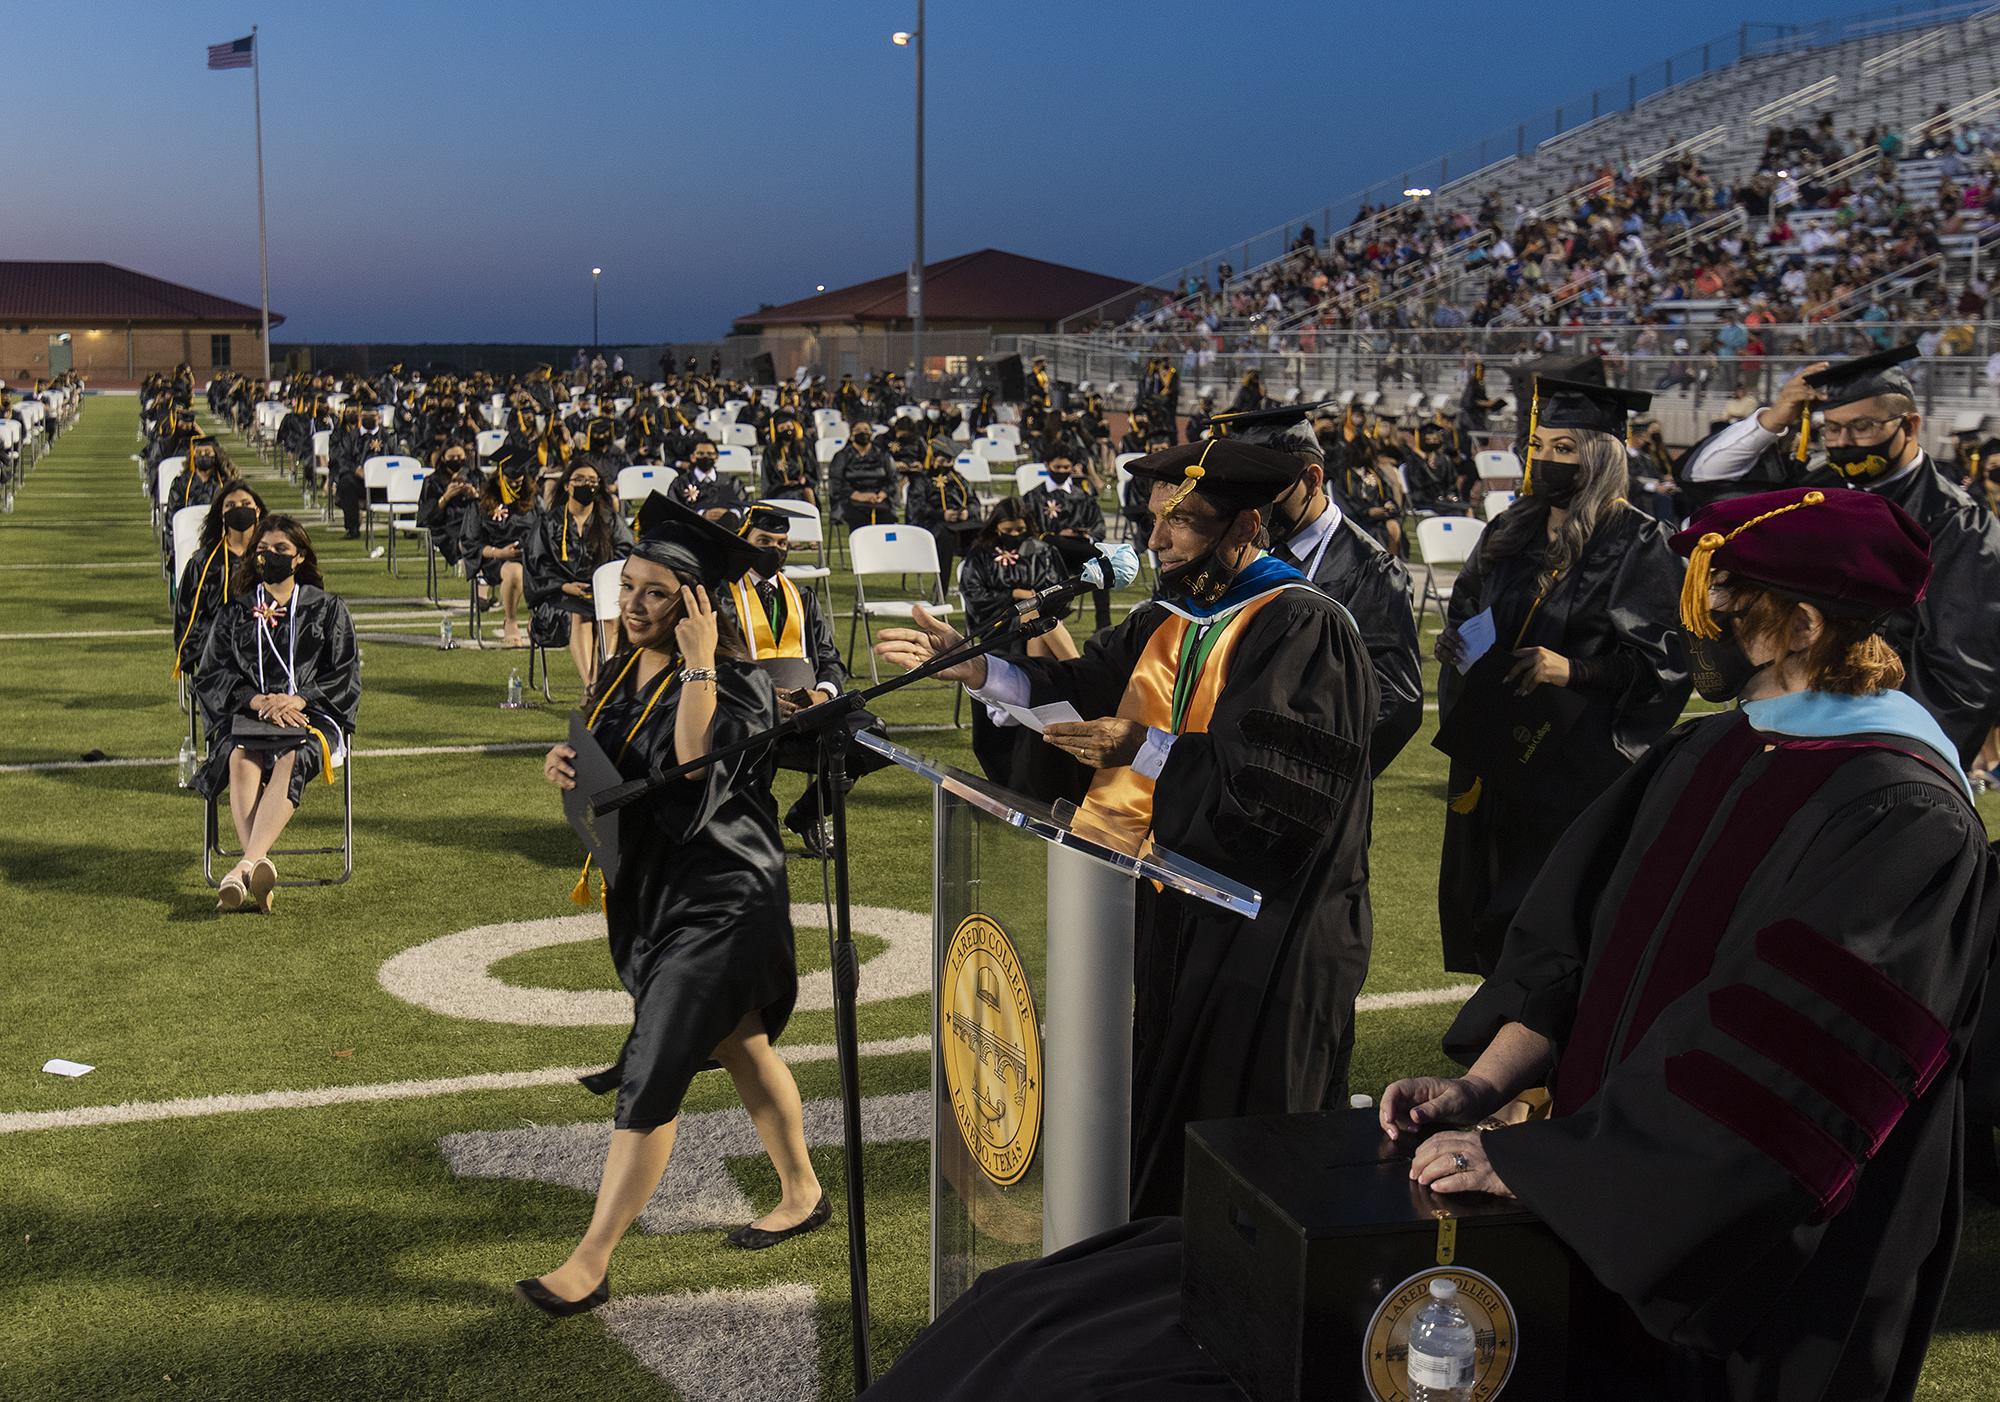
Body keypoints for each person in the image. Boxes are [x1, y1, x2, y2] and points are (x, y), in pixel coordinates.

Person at [1385, 484, 1999, 1400]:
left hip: (1774, 1261)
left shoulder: (1904, 815)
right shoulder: (1710, 750)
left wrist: (1561, 1166)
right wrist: (1488, 1082)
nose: (1695, 621)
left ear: (1800, 627)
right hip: (1621, 1202)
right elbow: (1573, 941)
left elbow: (1787, 1066)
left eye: (1725, 600)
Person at [878, 439, 1378, 1216]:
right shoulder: (1167, 618)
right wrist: (976, 669)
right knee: (1155, 1124)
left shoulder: (1308, 629)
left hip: (1268, 932)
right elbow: (1077, 688)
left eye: (1180, 525)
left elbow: (1282, 791)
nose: (1154, 541)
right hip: (1170, 897)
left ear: (1246, 525)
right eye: (1150, 521)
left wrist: (1141, 746)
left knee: (1244, 1137)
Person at [523, 495, 825, 1315]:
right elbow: (606, 761)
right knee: (743, 1047)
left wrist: (697, 662)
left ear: (697, 605)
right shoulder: (618, 672)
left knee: (654, 1069)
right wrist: (566, 762)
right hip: (654, 894)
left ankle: (591, 1260)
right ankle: (802, 1189)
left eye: (657, 593)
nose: (634, 605)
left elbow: (695, 768)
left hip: (726, 897)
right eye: (630, 587)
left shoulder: (741, 685)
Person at [1436, 377, 1689, 976]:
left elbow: (1664, 665)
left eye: (1565, 448)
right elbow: (1469, 604)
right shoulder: (1512, 527)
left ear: (1600, 456)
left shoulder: (1641, 543)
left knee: (1552, 897)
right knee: (1488, 881)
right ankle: (1496, 1011)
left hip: (1574, 755)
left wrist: (1572, 669)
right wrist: (1458, 641)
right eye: (1540, 446)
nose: (1545, 461)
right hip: (1496, 738)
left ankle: (1547, 1027)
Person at [1674, 344, 2000, 767]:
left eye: (1862, 427)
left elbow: (1959, 672)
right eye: (1833, 429)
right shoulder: (1819, 489)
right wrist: (1775, 418)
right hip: (1786, 704)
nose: (1844, 442)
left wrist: (1895, 761)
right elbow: (1708, 480)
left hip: (1870, 721)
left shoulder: (1959, 524)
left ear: (1910, 426)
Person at [1215, 403, 1423, 773]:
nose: (1254, 506)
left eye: (1267, 489)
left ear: (1312, 480)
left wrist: (1311, 775)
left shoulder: (1370, 569)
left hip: (1309, 788)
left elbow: (1395, 701)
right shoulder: (1253, 549)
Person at [192, 516, 359, 915]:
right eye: (263, 550)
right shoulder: (236, 612)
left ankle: (243, 866)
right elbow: (213, 672)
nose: (270, 557)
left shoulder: (327, 608)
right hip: (251, 716)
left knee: (291, 755)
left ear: (300, 557)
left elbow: (344, 673)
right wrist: (256, 700)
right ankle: (254, 865)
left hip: (311, 717)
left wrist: (299, 699)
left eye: (281, 550)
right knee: (239, 755)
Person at [722, 505, 873, 857]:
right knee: (753, 737)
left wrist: (824, 693)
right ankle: (762, 820)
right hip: (750, 707)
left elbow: (830, 658)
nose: (775, 549)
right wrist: (761, 695)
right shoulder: (724, 596)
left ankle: (809, 815)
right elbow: (718, 663)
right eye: (764, 540)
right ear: (744, 543)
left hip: (809, 708)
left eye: (782, 541)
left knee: (870, 736)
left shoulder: (804, 597)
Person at [955, 497, 1085, 795]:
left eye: (1020, 529)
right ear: (996, 527)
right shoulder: (979, 555)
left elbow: (1058, 592)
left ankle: (1073, 671)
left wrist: (1033, 602)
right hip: (999, 628)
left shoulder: (1042, 551)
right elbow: (976, 597)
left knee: (1039, 618)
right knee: (1036, 616)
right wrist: (1016, 596)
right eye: (1009, 529)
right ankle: (1078, 670)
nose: (1015, 534)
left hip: (1038, 628)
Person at [526, 461, 633, 686]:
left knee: (610, 614)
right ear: (567, 485)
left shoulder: (609, 520)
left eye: (593, 481)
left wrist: (602, 585)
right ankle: (592, 686)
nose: (587, 485)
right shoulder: (548, 522)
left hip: (600, 594)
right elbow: (537, 563)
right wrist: (564, 586)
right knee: (580, 613)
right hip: (557, 597)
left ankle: (607, 681)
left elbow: (625, 555)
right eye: (580, 480)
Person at [173, 481, 266, 680]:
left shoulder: (272, 557)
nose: (239, 509)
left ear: (258, 511)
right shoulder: (204, 563)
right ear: (221, 514)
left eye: (245, 504)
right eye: (230, 506)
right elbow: (189, 619)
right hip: (220, 655)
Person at [1023, 450, 1111, 633]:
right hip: (1048, 551)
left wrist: (1087, 535)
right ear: (1047, 466)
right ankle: (1056, 614)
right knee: (1099, 556)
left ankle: (1103, 624)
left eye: (1066, 467)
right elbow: (1030, 530)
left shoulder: (1082, 496)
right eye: (1057, 467)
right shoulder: (1034, 497)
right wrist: (1056, 534)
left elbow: (1098, 525)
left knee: (1099, 562)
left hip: (1080, 551)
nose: (1062, 471)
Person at [463, 447, 539, 647]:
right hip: (494, 559)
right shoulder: (481, 503)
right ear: (499, 477)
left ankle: (541, 621)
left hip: (528, 557)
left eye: (519, 481)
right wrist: (500, 553)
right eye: (511, 481)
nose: (515, 485)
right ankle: (511, 621)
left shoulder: (531, 500)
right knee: (515, 572)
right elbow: (472, 543)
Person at [906, 442, 980, 588]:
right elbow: (917, 507)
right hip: (930, 523)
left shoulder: (958, 479)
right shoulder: (921, 479)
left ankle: (974, 584)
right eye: (941, 461)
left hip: (959, 523)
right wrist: (942, 514)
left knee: (981, 534)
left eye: (949, 461)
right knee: (946, 536)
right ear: (933, 459)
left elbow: (974, 501)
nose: (945, 465)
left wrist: (967, 512)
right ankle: (940, 589)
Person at [415, 443, 480, 569]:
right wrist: (446, 497)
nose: (456, 460)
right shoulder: (432, 481)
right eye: (451, 457)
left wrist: (475, 495)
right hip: (445, 523)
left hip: (470, 519)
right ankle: (465, 557)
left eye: (459, 456)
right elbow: (427, 516)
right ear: (444, 458)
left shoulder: (475, 476)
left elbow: (487, 505)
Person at [829, 425, 898, 529]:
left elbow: (892, 479)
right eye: (858, 430)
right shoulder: (842, 456)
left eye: (866, 429)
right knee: (858, 519)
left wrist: (883, 493)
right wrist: (857, 495)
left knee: (886, 519)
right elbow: (836, 482)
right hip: (850, 500)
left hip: (879, 499)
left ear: (871, 433)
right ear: (851, 436)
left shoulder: (883, 455)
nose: (862, 432)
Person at [672, 441, 747, 522]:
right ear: (692, 457)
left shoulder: (732, 482)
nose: (705, 457)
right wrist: (702, 514)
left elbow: (744, 507)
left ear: (716, 457)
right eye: (700, 454)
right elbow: (674, 509)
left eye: (710, 454)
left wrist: (729, 514)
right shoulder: (680, 483)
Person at [165, 434, 231, 516]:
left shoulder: (226, 484)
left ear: (216, 456)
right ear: (193, 456)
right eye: (198, 452)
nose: (203, 455)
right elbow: (173, 516)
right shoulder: (181, 484)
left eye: (207, 452)